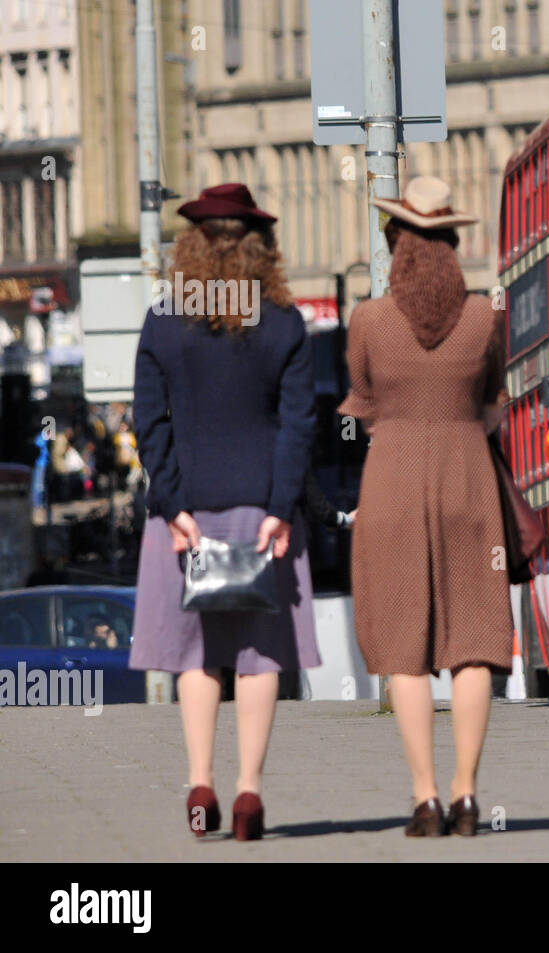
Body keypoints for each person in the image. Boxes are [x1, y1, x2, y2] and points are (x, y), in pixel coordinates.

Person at [128, 182, 319, 841]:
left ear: (193, 245)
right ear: (259, 247)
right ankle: (247, 794)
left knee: (195, 655)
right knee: (260, 658)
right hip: (262, 510)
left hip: (184, 514)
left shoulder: (162, 319)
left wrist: (173, 504)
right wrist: (281, 507)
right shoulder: (286, 325)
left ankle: (201, 779)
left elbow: (148, 421)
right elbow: (300, 424)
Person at [339, 176, 513, 838]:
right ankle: (470, 795)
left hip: (391, 486)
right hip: (470, 483)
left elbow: (363, 401)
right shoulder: (484, 318)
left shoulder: (368, 321)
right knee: (475, 640)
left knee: (401, 646)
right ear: (452, 247)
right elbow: (493, 403)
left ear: (396, 246)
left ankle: (426, 798)